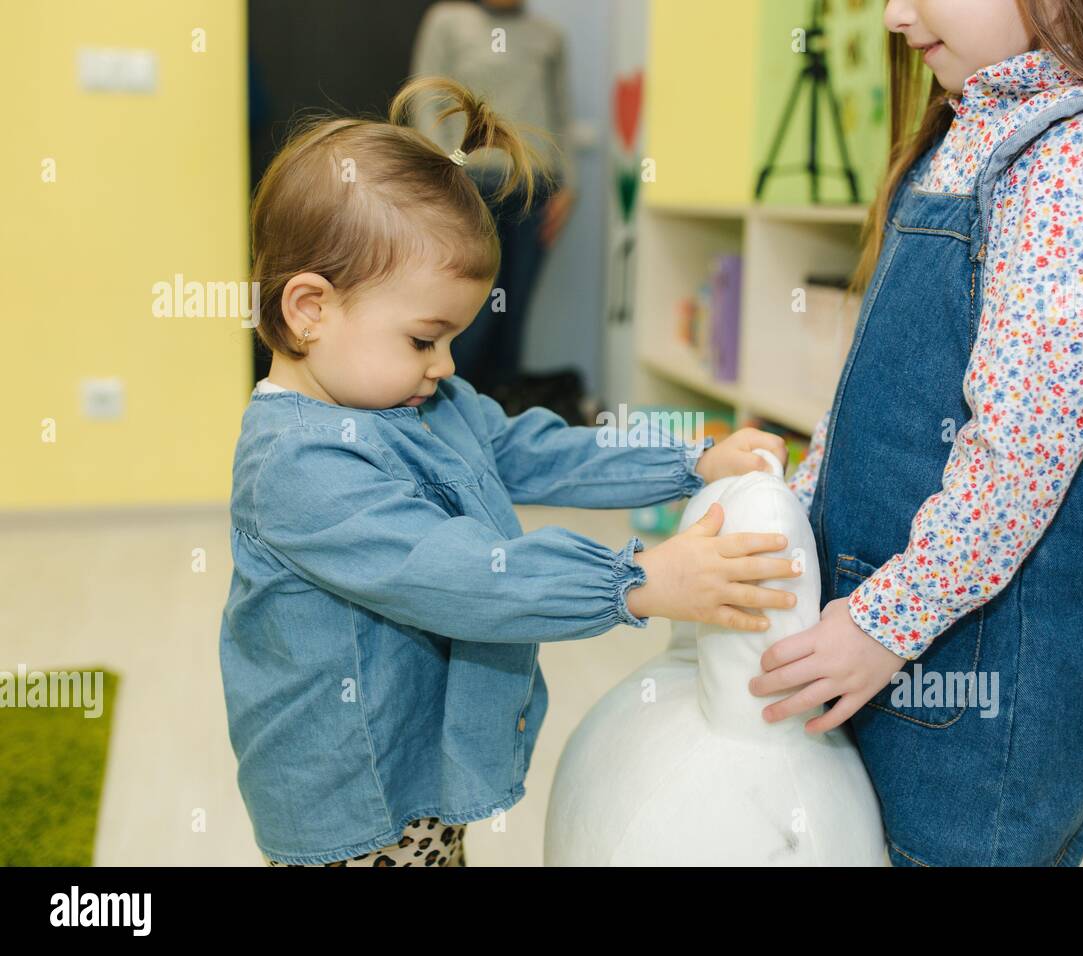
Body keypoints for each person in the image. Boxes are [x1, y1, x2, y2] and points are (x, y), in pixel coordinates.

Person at [221, 74, 797, 866]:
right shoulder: (297, 464)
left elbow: (540, 448)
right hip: (348, 801)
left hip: (421, 769)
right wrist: (634, 580)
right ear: (309, 309)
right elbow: (461, 576)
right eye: (425, 339)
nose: (446, 365)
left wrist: (689, 460)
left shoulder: (425, 400)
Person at [760, 0, 1083, 866]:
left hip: (967, 705)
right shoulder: (967, 133)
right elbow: (869, 389)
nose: (896, 18)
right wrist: (790, 511)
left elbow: (1016, 457)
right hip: (874, 634)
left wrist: (881, 624)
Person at [409, 0, 578, 393]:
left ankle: (498, 421)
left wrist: (569, 186)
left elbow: (561, 113)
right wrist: (443, 173)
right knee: (472, 311)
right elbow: (425, 99)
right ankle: (447, 411)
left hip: (533, 189)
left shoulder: (549, 35)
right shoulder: (447, 22)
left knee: (512, 312)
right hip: (472, 184)